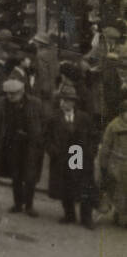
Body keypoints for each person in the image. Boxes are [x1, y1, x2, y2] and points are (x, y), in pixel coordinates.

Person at [49, 85, 98, 227]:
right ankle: (69, 214)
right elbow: (45, 137)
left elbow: (94, 136)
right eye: (63, 100)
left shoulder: (84, 118)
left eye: (69, 101)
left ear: (74, 102)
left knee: (85, 187)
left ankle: (86, 218)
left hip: (81, 157)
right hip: (62, 157)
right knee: (65, 186)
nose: (65, 103)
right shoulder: (54, 118)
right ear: (60, 101)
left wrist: (91, 152)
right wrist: (53, 150)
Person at [0, 77, 45, 217]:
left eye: (14, 93)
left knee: (30, 176)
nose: (10, 96)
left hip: (31, 144)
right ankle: (18, 204)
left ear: (22, 91)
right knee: (16, 175)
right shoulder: (4, 103)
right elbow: (1, 122)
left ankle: (29, 205)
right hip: (12, 144)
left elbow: (43, 121)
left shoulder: (35, 103)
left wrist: (38, 138)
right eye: (8, 93)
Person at [97, 98, 127, 226]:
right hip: (116, 163)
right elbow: (106, 147)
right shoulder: (113, 126)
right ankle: (117, 213)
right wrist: (104, 164)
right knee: (116, 190)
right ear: (122, 113)